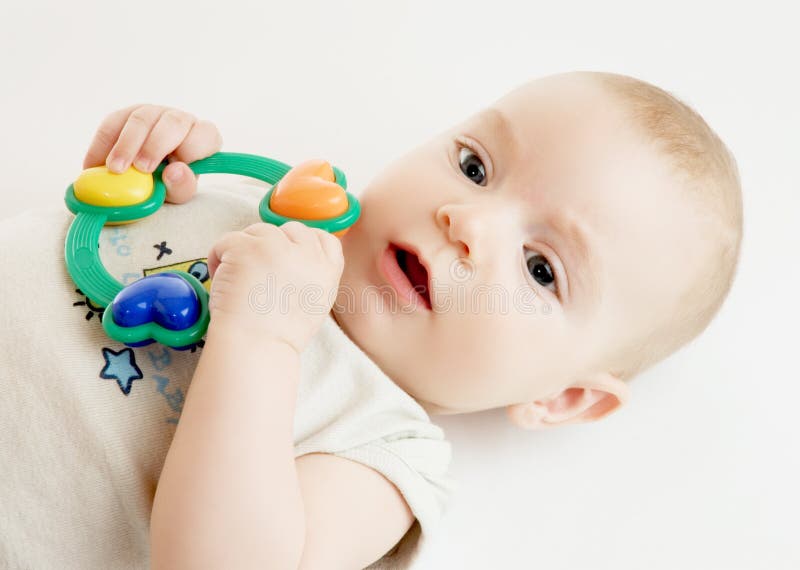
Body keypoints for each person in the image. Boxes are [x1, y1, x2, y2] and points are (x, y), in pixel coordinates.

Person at [0, 70, 742, 569]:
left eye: (541, 268)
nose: (468, 222)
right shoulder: (271, 206)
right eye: (476, 167)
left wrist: (261, 337)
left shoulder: (384, 447)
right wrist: (139, 168)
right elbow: (79, 240)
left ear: (563, 397)